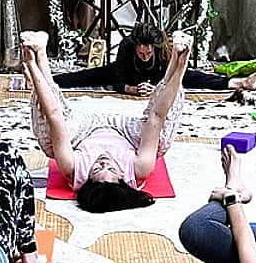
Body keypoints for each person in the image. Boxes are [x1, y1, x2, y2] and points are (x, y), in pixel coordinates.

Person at [23, 28, 188, 213]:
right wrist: (180, 64)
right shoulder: (138, 169)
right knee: (161, 139)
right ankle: (177, 54)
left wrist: (32, 63)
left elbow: (53, 114)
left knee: (51, 139)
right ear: (121, 178)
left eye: (96, 169)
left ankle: (41, 52)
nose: (104, 161)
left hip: (85, 133)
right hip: (126, 134)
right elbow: (157, 117)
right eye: (110, 168)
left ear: (88, 178)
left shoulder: (73, 169)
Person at [53, 22, 256, 96]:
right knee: (89, 76)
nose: (144, 55)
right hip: (131, 76)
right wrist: (133, 89)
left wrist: (156, 89)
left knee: (191, 77)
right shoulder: (127, 45)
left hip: (157, 76)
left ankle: (240, 82)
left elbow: (173, 74)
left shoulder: (162, 46)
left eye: (147, 53)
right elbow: (117, 81)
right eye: (141, 52)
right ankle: (46, 80)